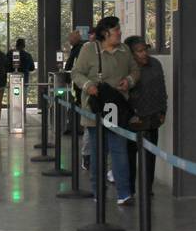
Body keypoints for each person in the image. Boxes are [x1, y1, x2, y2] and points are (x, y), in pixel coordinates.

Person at [70, 15, 140, 206]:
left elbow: (135, 71)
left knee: (119, 150)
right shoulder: (89, 50)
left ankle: (124, 193)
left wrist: (129, 81)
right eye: (116, 29)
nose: (119, 32)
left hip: (117, 108)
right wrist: (88, 86)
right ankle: (98, 191)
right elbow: (76, 73)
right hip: (96, 107)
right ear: (105, 33)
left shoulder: (124, 50)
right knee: (98, 150)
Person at [124, 35, 167, 199]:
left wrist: (163, 111)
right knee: (129, 156)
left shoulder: (155, 64)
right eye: (139, 51)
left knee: (150, 156)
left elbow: (161, 90)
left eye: (145, 50)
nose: (144, 54)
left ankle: (147, 188)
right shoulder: (126, 68)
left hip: (153, 117)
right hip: (132, 118)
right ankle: (129, 190)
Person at [61, 29, 84, 134]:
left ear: (76, 39)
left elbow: (75, 65)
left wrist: (70, 77)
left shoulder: (80, 49)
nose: (69, 40)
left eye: (71, 38)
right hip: (74, 81)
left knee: (76, 102)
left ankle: (76, 127)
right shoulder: (76, 48)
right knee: (73, 102)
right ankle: (72, 126)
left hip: (77, 82)